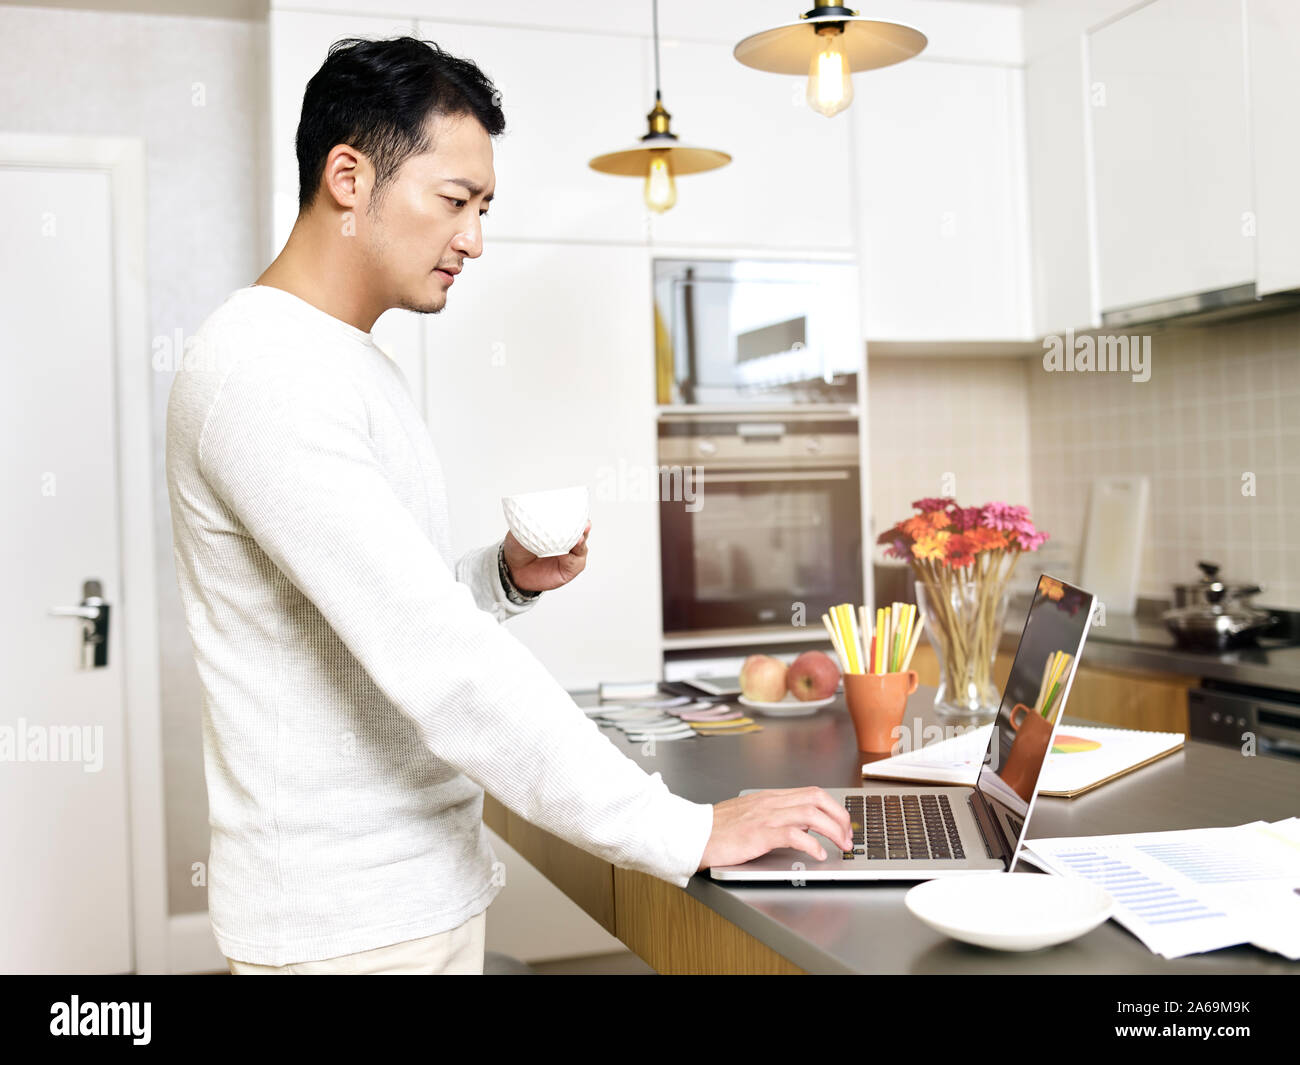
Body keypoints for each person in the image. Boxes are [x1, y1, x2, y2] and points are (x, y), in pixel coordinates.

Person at [165, 35, 852, 976]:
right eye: (455, 201)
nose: (475, 239)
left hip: (410, 892)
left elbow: (372, 619)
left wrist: (498, 577)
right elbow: (439, 660)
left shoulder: (343, 357)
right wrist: (678, 827)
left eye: (484, 208)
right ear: (349, 177)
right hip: (346, 924)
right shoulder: (262, 373)